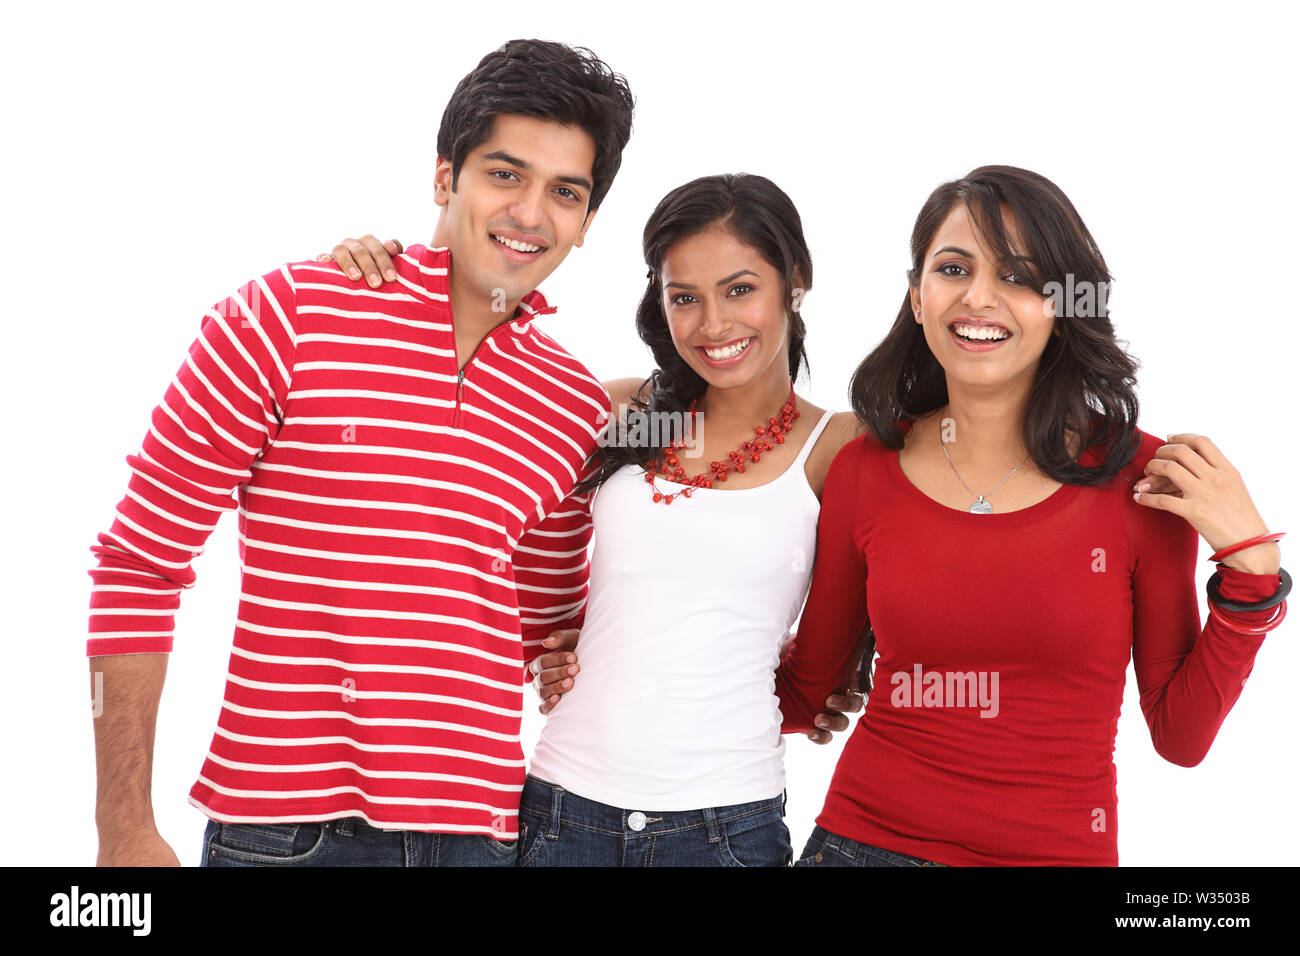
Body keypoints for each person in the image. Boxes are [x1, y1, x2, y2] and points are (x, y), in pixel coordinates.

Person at [86, 39, 635, 867]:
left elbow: (552, 632)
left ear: (588, 222)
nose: (530, 214)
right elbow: (138, 565)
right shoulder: (288, 314)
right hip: (284, 833)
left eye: (564, 192)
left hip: (484, 838)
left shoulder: (571, 405)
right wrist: (122, 827)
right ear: (445, 178)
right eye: (504, 173)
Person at [326, 173, 864, 866]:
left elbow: (826, 663)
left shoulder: (840, 446)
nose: (713, 325)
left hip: (724, 828)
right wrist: (384, 277)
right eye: (683, 298)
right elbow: (443, 404)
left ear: (796, 279)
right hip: (558, 812)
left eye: (740, 289)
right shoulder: (616, 410)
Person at [773, 165, 1288, 866]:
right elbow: (805, 696)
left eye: (1020, 276)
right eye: (953, 268)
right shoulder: (866, 469)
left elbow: (1180, 736)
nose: (979, 297)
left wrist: (1253, 573)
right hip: (862, 845)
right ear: (918, 299)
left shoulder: (1142, 479)